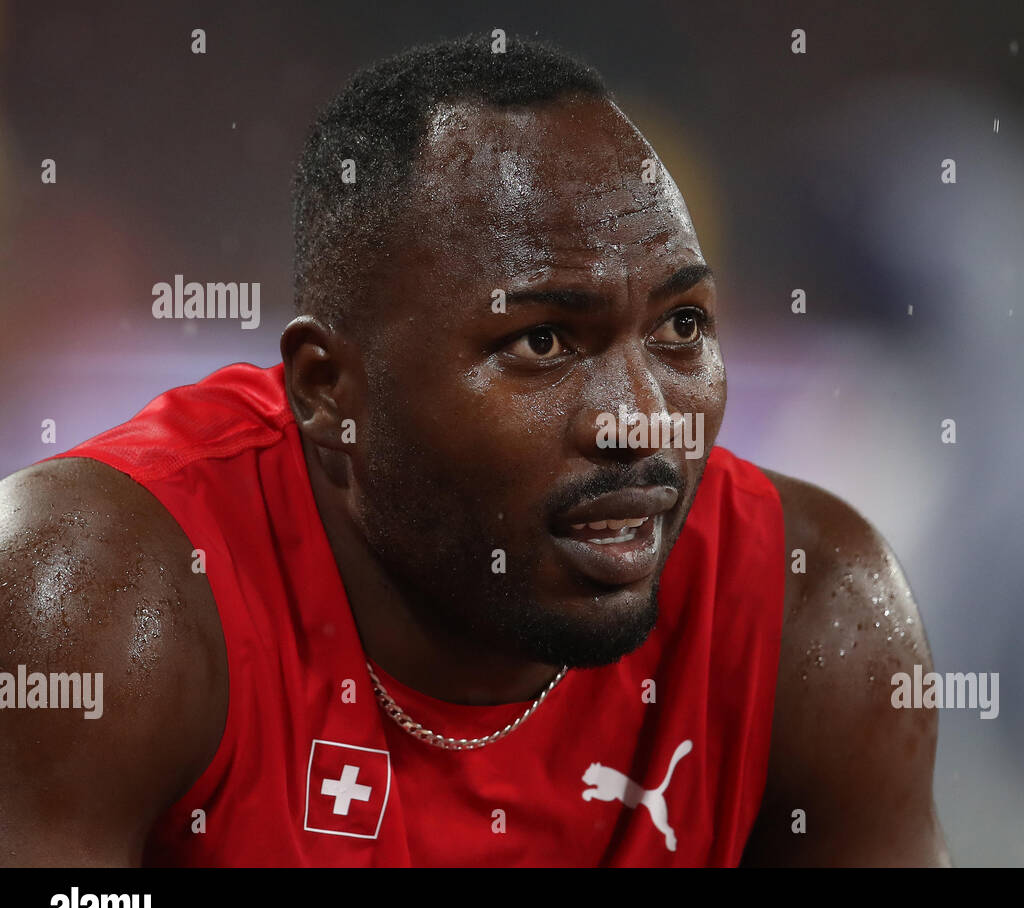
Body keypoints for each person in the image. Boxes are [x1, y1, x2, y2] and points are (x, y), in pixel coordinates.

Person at [0, 35, 948, 866]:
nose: (638, 420)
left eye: (681, 328)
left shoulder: (810, 611)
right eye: (541, 341)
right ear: (330, 391)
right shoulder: (102, 595)